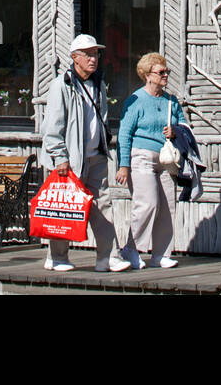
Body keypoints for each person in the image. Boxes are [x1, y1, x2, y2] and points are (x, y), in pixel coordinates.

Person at [40, 34, 130, 273]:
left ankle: (108, 257)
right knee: (64, 207)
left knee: (103, 205)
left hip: (96, 156)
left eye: (96, 54)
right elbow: (51, 127)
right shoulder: (62, 84)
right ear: (74, 57)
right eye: (88, 54)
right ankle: (56, 256)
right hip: (68, 160)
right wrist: (60, 157)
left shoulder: (98, 83)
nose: (94, 59)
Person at [115, 52, 186, 269]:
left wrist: (175, 131)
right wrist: (123, 165)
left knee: (167, 207)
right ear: (147, 75)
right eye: (161, 72)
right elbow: (124, 134)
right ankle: (131, 249)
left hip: (166, 158)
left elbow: (185, 127)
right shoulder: (136, 100)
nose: (165, 76)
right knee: (147, 203)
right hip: (141, 157)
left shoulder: (171, 101)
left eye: (167, 72)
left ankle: (160, 254)